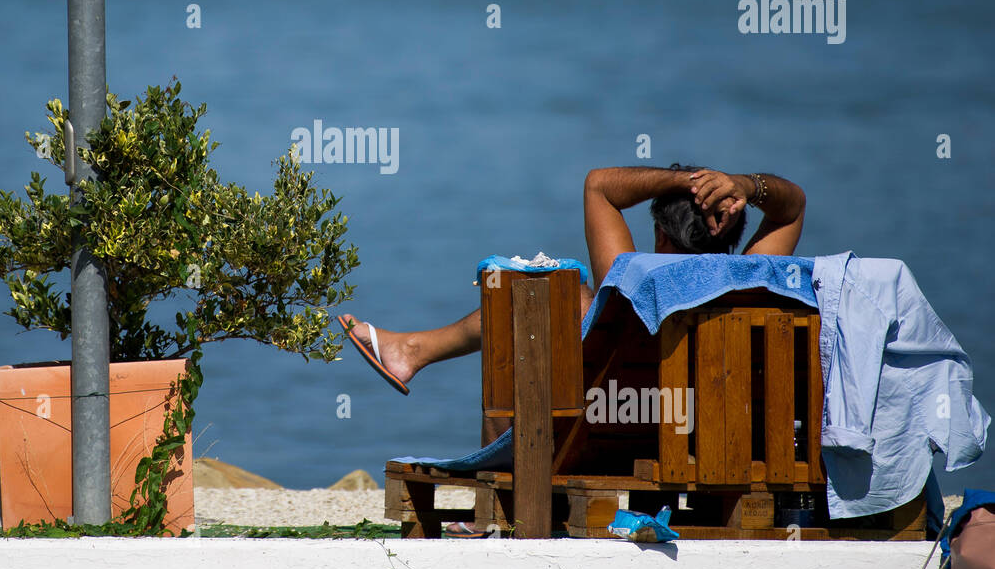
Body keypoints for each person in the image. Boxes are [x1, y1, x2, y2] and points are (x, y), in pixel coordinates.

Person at [338, 164, 806, 395]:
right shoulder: (751, 278)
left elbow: (599, 184)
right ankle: (412, 352)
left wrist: (681, 180)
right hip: (720, 430)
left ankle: (413, 352)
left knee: (545, 297)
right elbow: (793, 205)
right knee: (566, 300)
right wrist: (746, 186)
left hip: (625, 430)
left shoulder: (633, 281)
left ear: (660, 233)